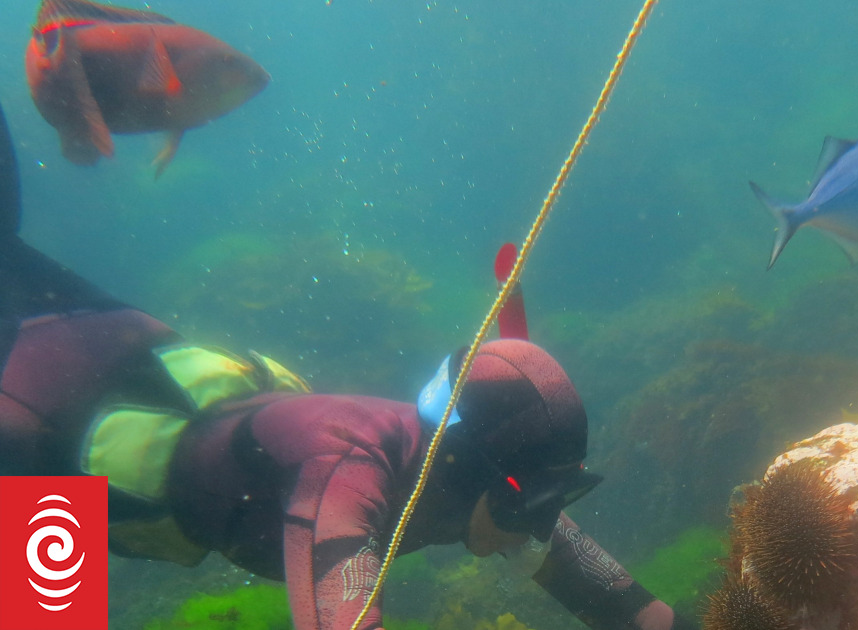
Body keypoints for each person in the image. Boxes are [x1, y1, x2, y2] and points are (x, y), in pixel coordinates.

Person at [0, 100, 697, 630]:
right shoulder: (349, 480)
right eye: (532, 503)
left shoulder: (481, 469)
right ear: (468, 462)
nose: (536, 524)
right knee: (46, 611)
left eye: (556, 499)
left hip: (130, 346)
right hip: (43, 415)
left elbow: (621, 601)